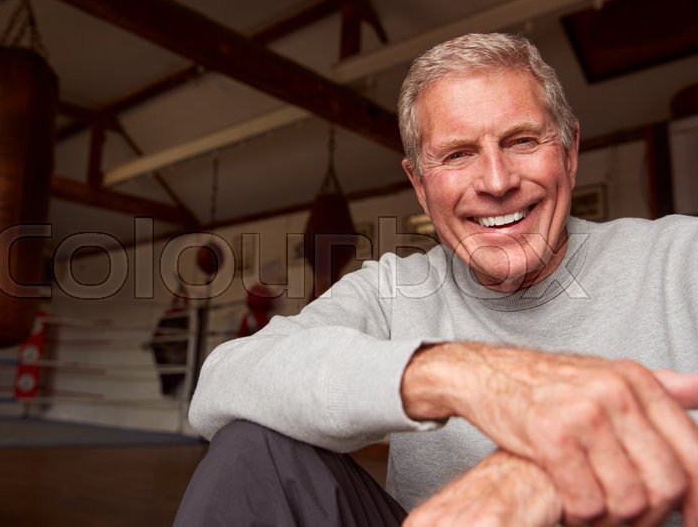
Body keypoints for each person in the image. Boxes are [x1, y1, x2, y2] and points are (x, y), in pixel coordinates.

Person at [176, 33, 698, 526]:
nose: (497, 182)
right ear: (420, 187)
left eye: (521, 140)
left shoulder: (681, 257)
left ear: (569, 150)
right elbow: (223, 381)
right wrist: (456, 374)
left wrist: (544, 470)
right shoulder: (393, 289)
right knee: (255, 446)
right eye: (458, 154)